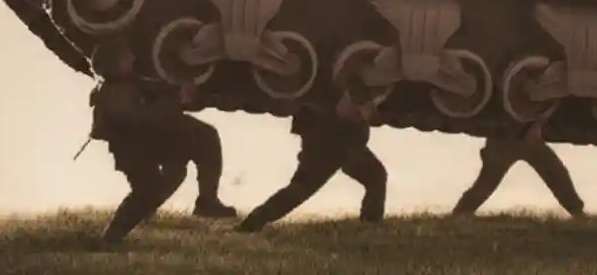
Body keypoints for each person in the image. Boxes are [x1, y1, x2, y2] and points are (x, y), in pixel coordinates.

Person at [88, 37, 237, 245]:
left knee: (180, 164)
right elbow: (144, 119)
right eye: (126, 57)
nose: (132, 58)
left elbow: (154, 96)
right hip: (135, 151)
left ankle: (205, 200)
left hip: (146, 145)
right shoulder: (113, 93)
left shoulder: (125, 84)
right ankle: (111, 238)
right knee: (148, 191)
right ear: (115, 64)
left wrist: (179, 90)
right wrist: (177, 100)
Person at [235, 91, 387, 232]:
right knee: (305, 185)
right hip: (335, 134)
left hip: (333, 132)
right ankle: (257, 219)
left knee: (375, 176)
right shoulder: (353, 76)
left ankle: (370, 223)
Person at [450, 121, 586, 218]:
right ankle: (461, 213)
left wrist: (537, 124)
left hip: (522, 137)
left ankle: (577, 212)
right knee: (487, 181)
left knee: (556, 174)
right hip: (508, 138)